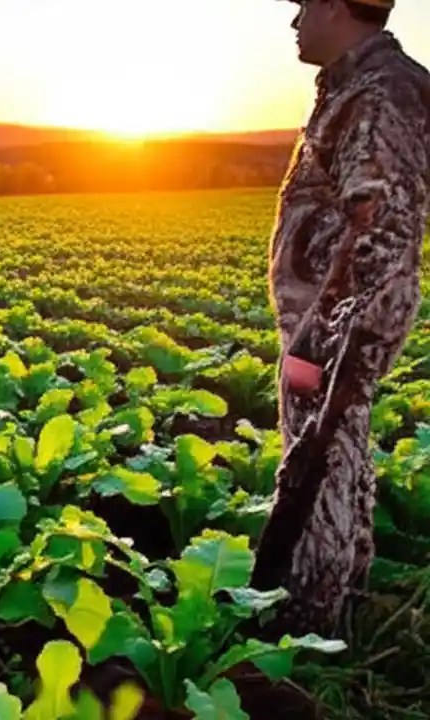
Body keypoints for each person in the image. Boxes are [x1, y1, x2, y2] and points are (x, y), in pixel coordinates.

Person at [253, 0, 430, 634]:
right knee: (334, 446)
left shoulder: (380, 92)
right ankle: (336, 604)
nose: (294, 20)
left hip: (335, 323)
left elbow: (379, 226)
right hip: (329, 318)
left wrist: (321, 333)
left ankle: (309, 619)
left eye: (302, 5)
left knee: (319, 454)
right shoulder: (356, 85)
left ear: (333, 5)